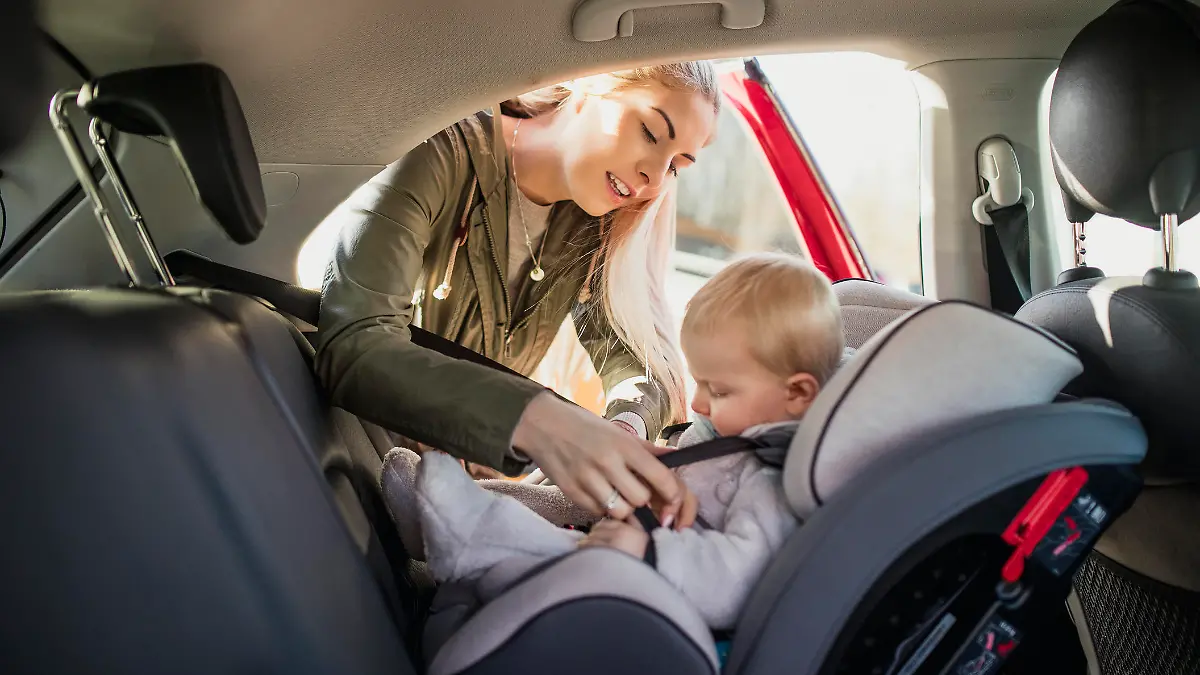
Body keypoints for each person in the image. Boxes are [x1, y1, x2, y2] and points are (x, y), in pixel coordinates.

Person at [314, 63, 721, 522]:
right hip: (363, 468)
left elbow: (635, 363)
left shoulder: (595, 220)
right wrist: (539, 422)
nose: (654, 175)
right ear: (590, 82)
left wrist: (623, 429)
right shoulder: (440, 153)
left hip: (458, 495)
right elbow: (355, 345)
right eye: (649, 131)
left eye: (677, 166)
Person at [384, 253, 847, 633]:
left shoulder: (773, 481)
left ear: (797, 393)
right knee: (564, 496)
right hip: (633, 535)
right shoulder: (733, 433)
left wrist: (646, 552)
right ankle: (451, 522)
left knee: (553, 553)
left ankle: (460, 528)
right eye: (699, 382)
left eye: (720, 391)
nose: (700, 403)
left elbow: (736, 582)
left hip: (651, 594)